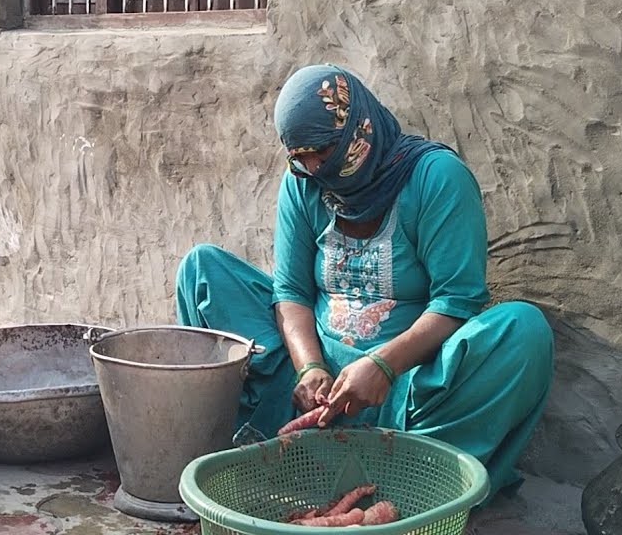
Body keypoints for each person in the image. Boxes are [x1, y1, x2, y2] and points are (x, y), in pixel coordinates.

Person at [175, 64, 553, 500]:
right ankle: (273, 445)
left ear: (361, 128)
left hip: (405, 389)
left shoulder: (435, 178)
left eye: (324, 150)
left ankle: (412, 475)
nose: (315, 166)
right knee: (201, 269)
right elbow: (292, 292)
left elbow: (456, 301)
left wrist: (383, 366)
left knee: (523, 330)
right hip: (309, 384)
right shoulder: (303, 182)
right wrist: (310, 367)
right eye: (300, 156)